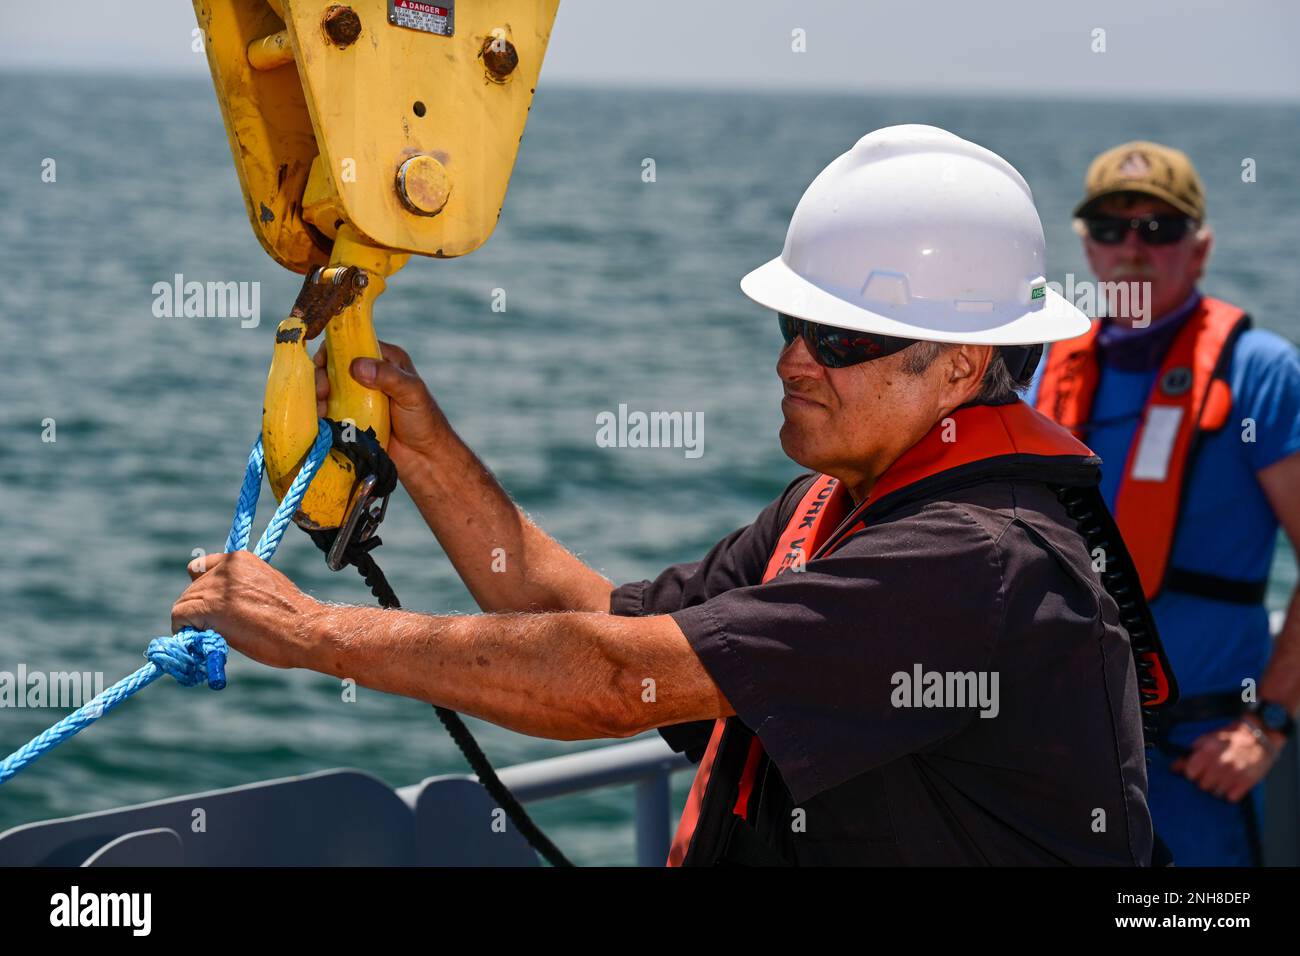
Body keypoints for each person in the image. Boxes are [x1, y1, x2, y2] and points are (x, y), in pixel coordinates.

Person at [172, 125, 1168, 865]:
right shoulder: (832, 506)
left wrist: (312, 630)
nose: (792, 359)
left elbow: (609, 681)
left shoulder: (972, 560)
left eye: (841, 338)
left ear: (958, 369)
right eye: (791, 319)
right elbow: (581, 616)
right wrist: (422, 439)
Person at [1029, 140, 1300, 866]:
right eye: (1113, 230)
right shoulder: (1042, 367)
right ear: (1087, 248)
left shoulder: (1261, 373)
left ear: (1201, 248)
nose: (1134, 249)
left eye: (1161, 229)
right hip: (1056, 754)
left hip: (1195, 760)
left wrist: (1268, 725)